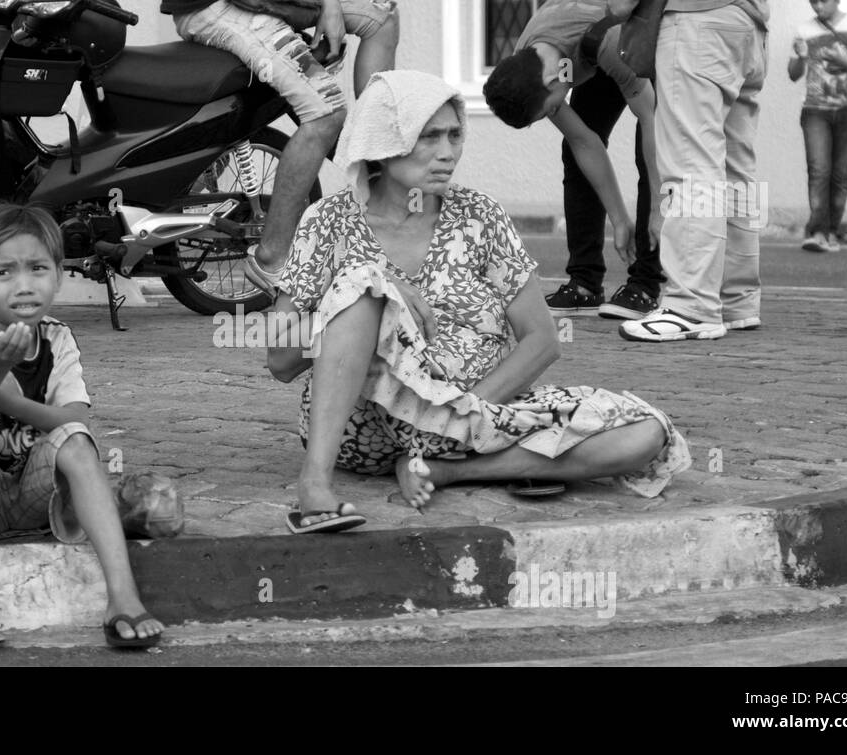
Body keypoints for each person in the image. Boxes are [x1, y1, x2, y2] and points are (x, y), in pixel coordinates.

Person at [265, 71, 691, 533]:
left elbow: (542, 341)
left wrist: (460, 413)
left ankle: (445, 471)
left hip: (470, 419)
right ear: (385, 143)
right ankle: (315, 486)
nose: (448, 152)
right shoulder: (328, 221)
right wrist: (382, 291)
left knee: (645, 432)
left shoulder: (479, 215)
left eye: (454, 135)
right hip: (366, 426)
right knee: (364, 288)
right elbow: (281, 359)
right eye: (428, 137)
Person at [0, 204, 164, 648]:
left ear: (58, 275)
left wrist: (15, 404)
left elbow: (76, 419)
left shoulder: (58, 338)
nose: (24, 285)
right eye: (4, 273)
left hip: (35, 502)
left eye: (38, 268)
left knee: (77, 443)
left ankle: (123, 596)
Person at [161, 0, 399, 294]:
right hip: (223, 6)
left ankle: (379, 171)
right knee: (327, 112)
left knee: (381, 17)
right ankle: (271, 256)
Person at [483, 0, 663, 321]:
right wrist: (619, 219)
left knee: (648, 148)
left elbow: (652, 120)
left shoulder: (609, 43)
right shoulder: (528, 65)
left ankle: (645, 283)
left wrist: (655, 210)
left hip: (638, 33)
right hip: (588, 48)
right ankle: (585, 284)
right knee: (573, 148)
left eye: (548, 110)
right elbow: (584, 141)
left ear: (553, 84)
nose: (552, 113)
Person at [618, 0, 770, 342]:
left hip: (696, 21)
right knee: (737, 167)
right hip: (749, 23)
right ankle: (738, 300)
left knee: (690, 162)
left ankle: (692, 305)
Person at [790, 0, 847, 255]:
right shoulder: (804, 29)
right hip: (815, 110)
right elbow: (793, 74)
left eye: (822, 1)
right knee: (818, 171)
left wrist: (842, 61)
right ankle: (816, 232)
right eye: (813, 2)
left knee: (839, 174)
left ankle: (832, 231)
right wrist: (801, 57)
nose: (817, 7)